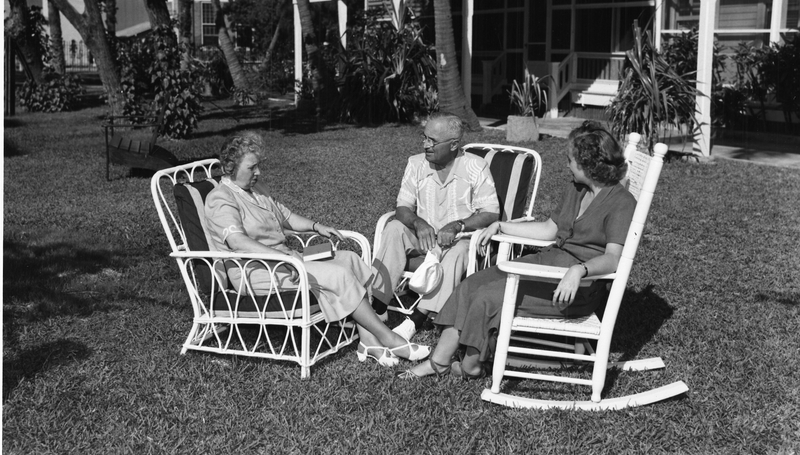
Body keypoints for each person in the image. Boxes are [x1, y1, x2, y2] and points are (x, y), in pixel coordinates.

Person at [399, 121, 636, 379]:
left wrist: (579, 270)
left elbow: (614, 258)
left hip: (575, 287)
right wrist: (501, 226)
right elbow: (549, 229)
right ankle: (440, 361)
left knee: (487, 297)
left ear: (588, 164)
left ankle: (471, 366)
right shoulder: (577, 189)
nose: (567, 165)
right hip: (550, 263)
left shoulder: (621, 203)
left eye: (571, 160)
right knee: (472, 284)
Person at [204, 131, 430, 368]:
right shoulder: (221, 198)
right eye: (252, 167)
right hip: (257, 270)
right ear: (231, 167)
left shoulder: (257, 189)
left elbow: (286, 216)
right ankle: (389, 338)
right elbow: (238, 242)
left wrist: (317, 227)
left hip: (287, 260)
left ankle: (367, 341)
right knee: (338, 274)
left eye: (258, 166)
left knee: (349, 259)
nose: (258, 172)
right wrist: (283, 257)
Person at [371, 112, 500, 341]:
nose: (425, 145)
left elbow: (491, 213)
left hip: (459, 241)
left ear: (453, 144)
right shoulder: (416, 163)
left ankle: (417, 319)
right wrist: (417, 222)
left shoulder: (475, 167)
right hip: (424, 239)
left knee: (460, 251)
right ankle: (377, 307)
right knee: (393, 228)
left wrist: (458, 225)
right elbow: (402, 207)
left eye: (432, 141)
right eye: (424, 137)